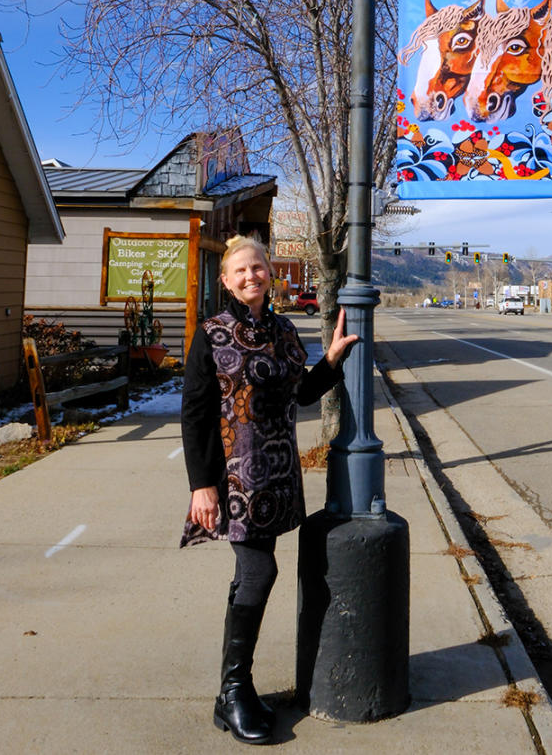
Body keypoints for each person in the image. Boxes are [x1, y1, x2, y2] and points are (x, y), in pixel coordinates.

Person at [180, 235, 357, 745]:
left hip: (277, 476)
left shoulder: (281, 329)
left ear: (268, 272)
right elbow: (194, 413)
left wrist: (331, 361)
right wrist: (201, 486)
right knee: (259, 571)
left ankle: (230, 693)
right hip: (235, 478)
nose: (251, 276)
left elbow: (300, 392)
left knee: (252, 573)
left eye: (257, 267)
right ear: (227, 280)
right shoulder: (211, 333)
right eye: (240, 271)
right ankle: (234, 690)